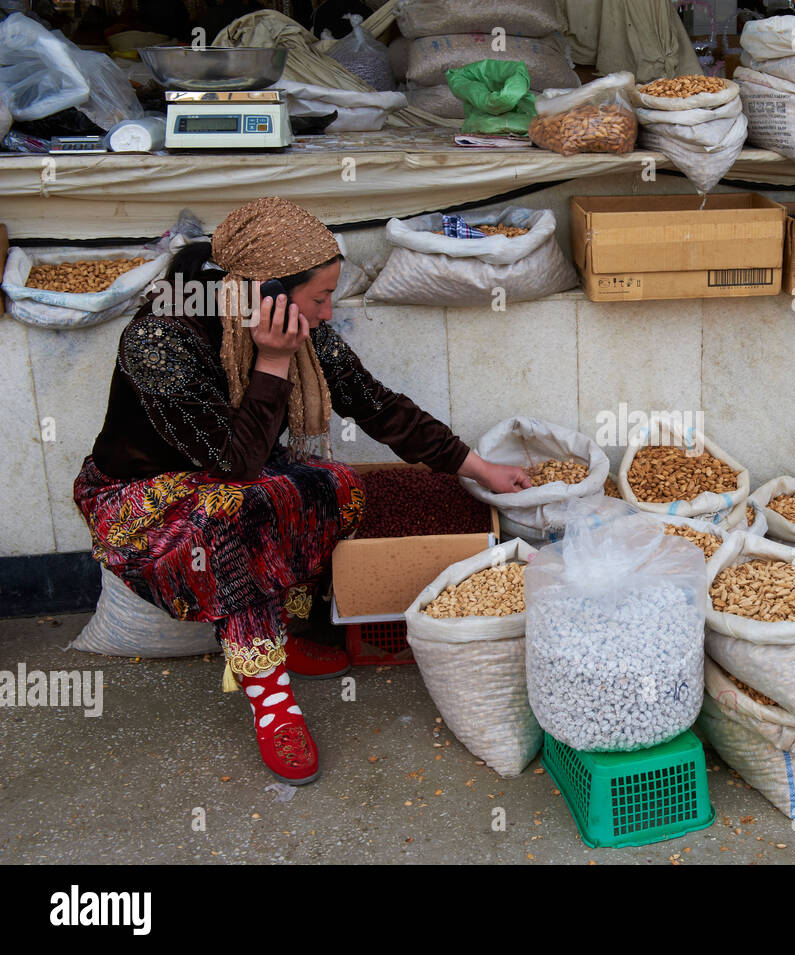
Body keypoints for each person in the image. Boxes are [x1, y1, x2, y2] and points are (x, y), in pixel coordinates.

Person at [74, 197, 531, 786]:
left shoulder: (301, 328)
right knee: (232, 516)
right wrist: (271, 361)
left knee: (335, 487)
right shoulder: (161, 341)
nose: (328, 311)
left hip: (231, 485)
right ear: (267, 293)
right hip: (139, 501)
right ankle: (271, 699)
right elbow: (233, 465)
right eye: (320, 298)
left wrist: (477, 467)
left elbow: (377, 406)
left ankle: (284, 631)